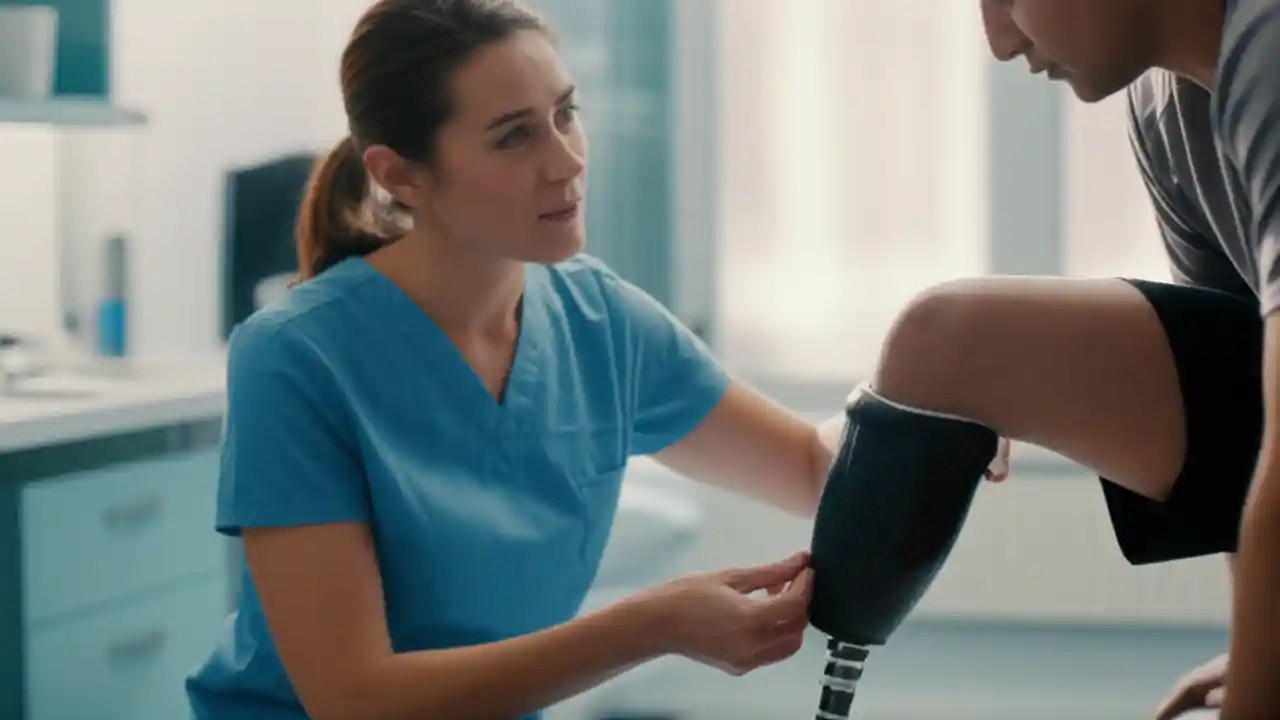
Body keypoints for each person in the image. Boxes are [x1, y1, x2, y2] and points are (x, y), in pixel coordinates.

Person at [180, 1, 912, 717]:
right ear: (402, 176)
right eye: (513, 137)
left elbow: (812, 471)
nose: (565, 162)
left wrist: (929, 415)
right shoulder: (296, 357)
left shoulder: (600, 321)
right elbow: (354, 699)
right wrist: (652, 624)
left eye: (566, 114)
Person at [835, 1, 1277, 717]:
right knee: (942, 342)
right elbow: (1242, 432)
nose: (1001, 43)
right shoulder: (1164, 108)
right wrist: (1263, 649)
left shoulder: (1269, 48)